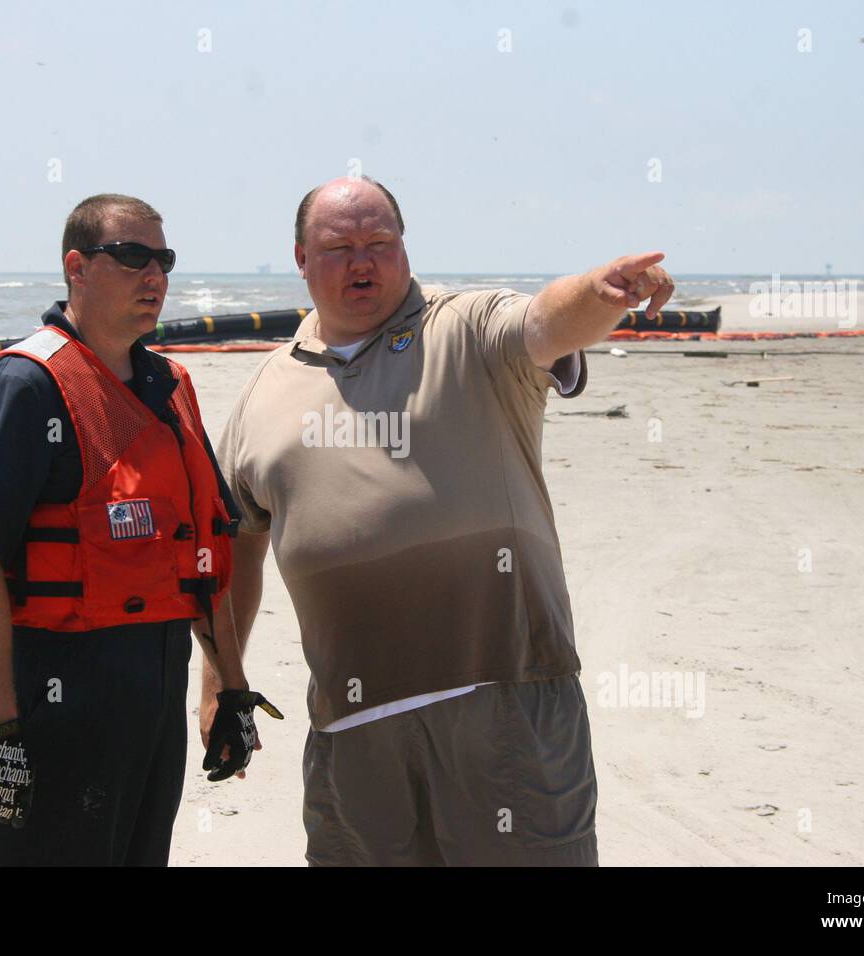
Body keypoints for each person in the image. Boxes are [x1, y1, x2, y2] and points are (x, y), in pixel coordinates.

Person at [201, 175, 673, 866]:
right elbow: (234, 541)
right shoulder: (266, 388)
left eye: (380, 243)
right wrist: (220, 683)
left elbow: (545, 321)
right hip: (350, 727)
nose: (363, 262)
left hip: (502, 701)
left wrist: (601, 292)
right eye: (339, 248)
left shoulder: (468, 328)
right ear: (300, 259)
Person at [0, 193, 278, 867]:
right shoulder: (25, 385)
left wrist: (230, 689)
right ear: (77, 267)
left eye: (163, 259)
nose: (153, 275)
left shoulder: (171, 386)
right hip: (58, 701)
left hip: (155, 700)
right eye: (131, 256)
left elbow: (207, 552)